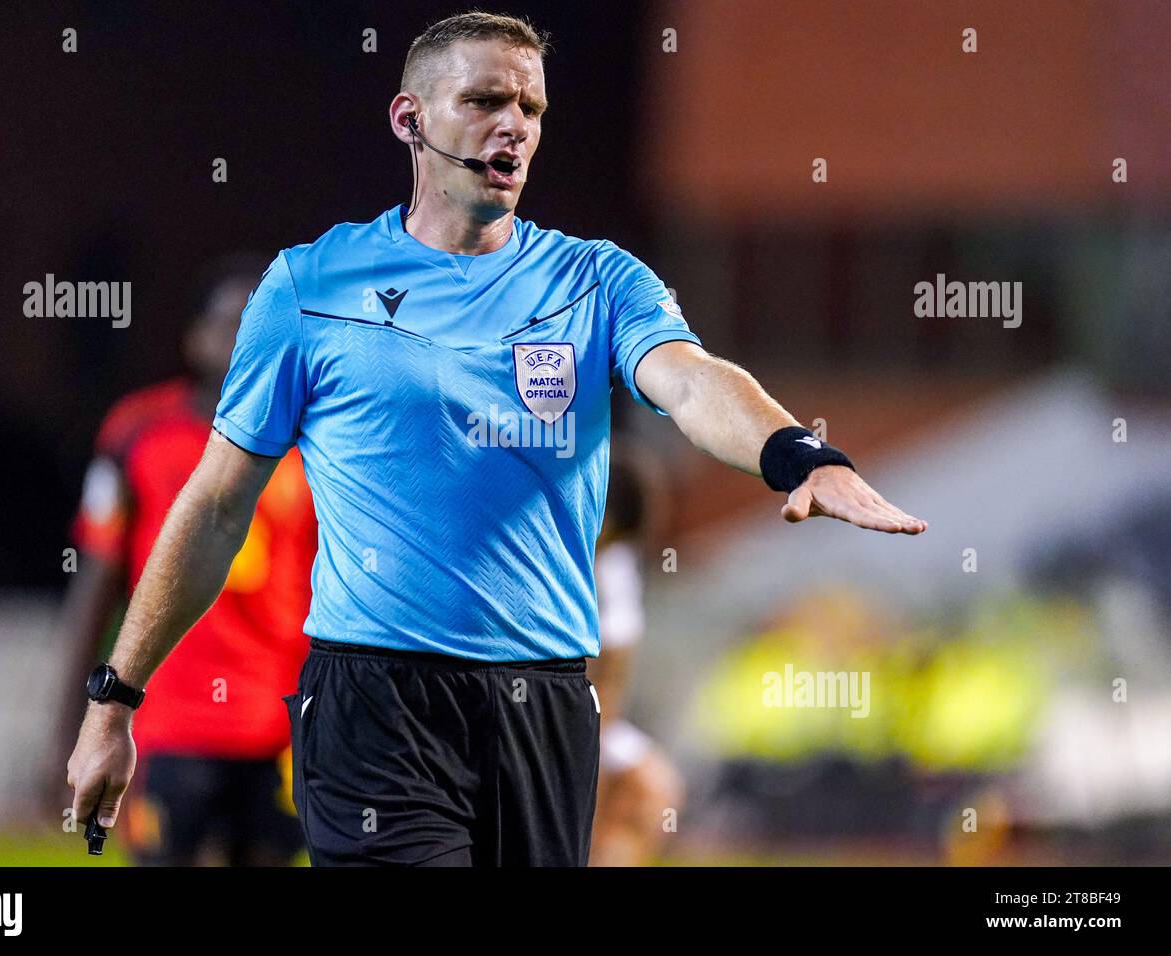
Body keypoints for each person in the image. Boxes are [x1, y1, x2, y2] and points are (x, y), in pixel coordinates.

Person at [67, 11, 926, 868]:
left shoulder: (597, 280)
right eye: (484, 100)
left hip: (545, 697)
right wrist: (114, 700)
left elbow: (692, 379)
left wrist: (793, 452)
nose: (513, 125)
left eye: (532, 107)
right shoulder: (310, 287)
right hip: (375, 699)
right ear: (410, 121)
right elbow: (216, 506)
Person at [58, 257, 316, 865]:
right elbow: (95, 588)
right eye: (233, 325)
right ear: (194, 338)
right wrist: (71, 726)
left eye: (265, 324)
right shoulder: (138, 431)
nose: (247, 341)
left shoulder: (318, 438)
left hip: (277, 723)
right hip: (166, 724)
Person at [587, 445, 685, 866]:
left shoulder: (612, 568)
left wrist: (589, 759)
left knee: (649, 787)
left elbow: (609, 678)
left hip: (571, 716)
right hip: (495, 707)